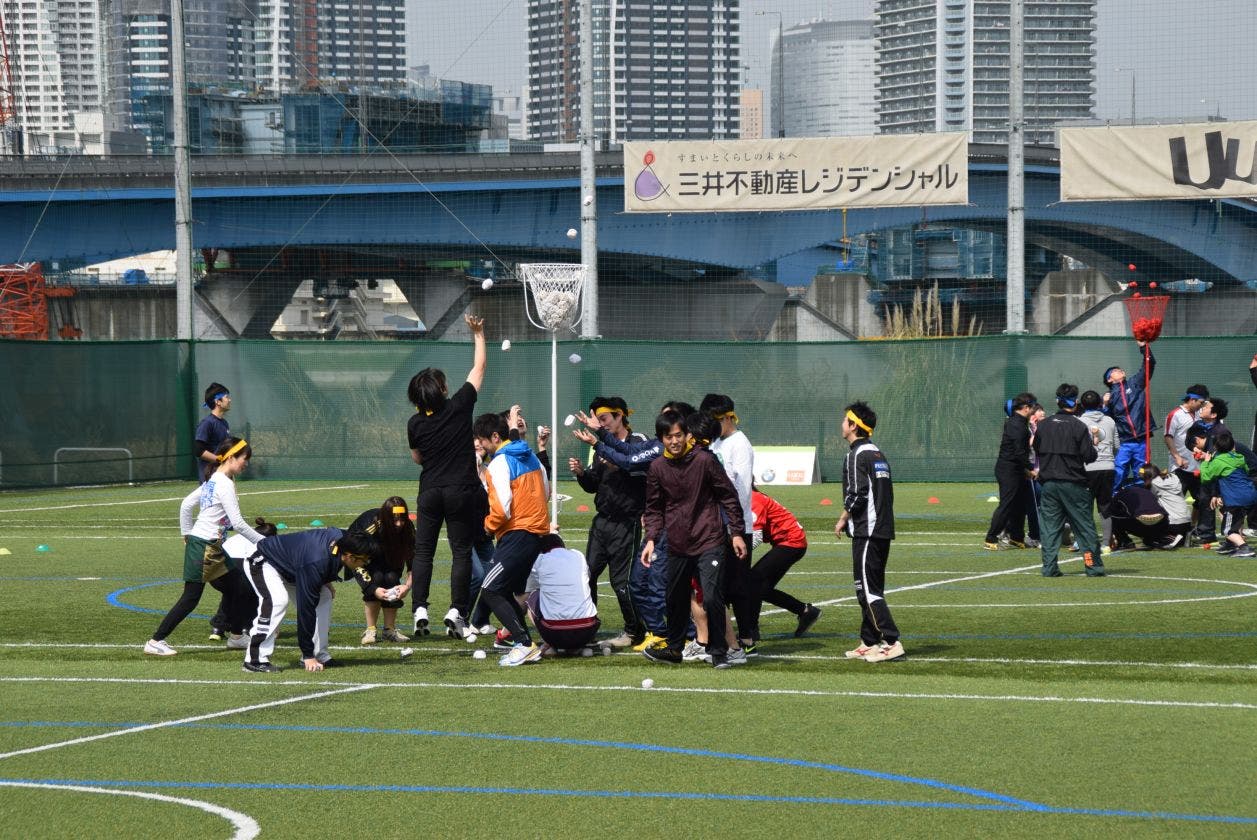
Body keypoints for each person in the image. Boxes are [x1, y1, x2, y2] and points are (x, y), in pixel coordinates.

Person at [639, 410, 747, 669]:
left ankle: (719, 652)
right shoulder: (656, 468)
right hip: (677, 543)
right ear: (661, 439)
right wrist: (651, 538)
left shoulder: (704, 460)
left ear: (687, 435)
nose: (674, 441)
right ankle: (675, 649)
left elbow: (728, 497)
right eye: (668, 437)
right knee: (674, 597)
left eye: (678, 435)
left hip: (710, 540)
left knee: (711, 597)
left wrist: (736, 533)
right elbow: (653, 508)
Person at [143, 437, 264, 657]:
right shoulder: (224, 483)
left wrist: (187, 533)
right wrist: (264, 542)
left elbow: (186, 505)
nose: (246, 463)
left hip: (210, 546)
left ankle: (236, 636)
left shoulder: (215, 480)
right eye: (244, 459)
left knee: (240, 588)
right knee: (191, 598)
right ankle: (156, 640)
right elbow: (237, 523)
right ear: (231, 457)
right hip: (206, 548)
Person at [406, 312, 486, 641]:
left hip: (430, 491)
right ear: (442, 389)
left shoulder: (415, 423)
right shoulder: (459, 406)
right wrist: (479, 334)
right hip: (461, 491)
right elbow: (478, 369)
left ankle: (419, 609)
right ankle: (456, 611)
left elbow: (417, 458)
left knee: (423, 551)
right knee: (461, 551)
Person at [568, 396, 650, 650]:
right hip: (602, 521)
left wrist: (615, 460)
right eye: (598, 421)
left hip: (627, 523)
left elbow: (640, 471)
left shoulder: (638, 443)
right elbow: (594, 485)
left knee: (621, 582)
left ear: (620, 416)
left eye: (604, 419)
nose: (600, 425)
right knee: (587, 575)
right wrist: (582, 473)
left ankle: (635, 630)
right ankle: (587, 627)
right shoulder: (600, 447)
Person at [473, 411, 551, 666]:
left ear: (495, 437)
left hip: (517, 533)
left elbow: (502, 508)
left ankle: (524, 643)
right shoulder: (531, 458)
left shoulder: (499, 463)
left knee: (490, 589)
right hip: (536, 532)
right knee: (503, 589)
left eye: (482, 440)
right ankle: (525, 643)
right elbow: (547, 492)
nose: (481, 446)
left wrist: (487, 527)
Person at [242, 527, 378, 673]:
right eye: (364, 560)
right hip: (264, 561)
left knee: (324, 595)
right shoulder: (316, 562)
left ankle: (319, 654)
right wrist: (307, 655)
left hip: (293, 566)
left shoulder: (344, 541)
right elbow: (305, 610)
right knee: (278, 601)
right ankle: (254, 659)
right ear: (350, 557)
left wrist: (325, 580)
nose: (365, 564)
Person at [833, 401, 903, 663]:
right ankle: (869, 641)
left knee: (867, 591)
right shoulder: (877, 453)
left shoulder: (856, 455)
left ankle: (892, 641)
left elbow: (857, 493)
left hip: (867, 531)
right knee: (871, 587)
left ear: (853, 425)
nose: (841, 425)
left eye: (844, 421)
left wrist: (842, 519)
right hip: (882, 529)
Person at [700, 393, 760, 652]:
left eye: (715, 421)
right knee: (719, 584)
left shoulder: (740, 443)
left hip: (736, 525)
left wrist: (733, 524)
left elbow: (743, 487)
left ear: (727, 417)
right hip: (715, 523)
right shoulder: (715, 442)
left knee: (737, 584)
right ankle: (722, 635)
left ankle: (747, 637)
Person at [1034, 384, 1103, 578]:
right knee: (1084, 528)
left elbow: (1037, 449)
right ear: (1076, 403)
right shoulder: (1078, 425)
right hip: (1074, 483)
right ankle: (1092, 566)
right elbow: (1089, 456)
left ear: (1057, 401)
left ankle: (1049, 567)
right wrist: (1095, 444)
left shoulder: (1044, 424)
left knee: (1050, 528)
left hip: (1049, 484)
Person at [749, 488, 819, 637]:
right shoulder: (752, 497)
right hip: (790, 542)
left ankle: (750, 632)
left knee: (753, 582)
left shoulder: (753, 498)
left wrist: (737, 553)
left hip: (791, 542)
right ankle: (805, 611)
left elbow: (756, 536)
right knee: (761, 588)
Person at [194, 381, 234, 641]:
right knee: (224, 567)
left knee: (224, 550)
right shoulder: (208, 423)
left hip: (222, 487)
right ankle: (222, 623)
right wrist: (221, 461)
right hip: (212, 490)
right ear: (217, 401)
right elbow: (198, 450)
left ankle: (223, 623)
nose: (230, 400)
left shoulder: (224, 425)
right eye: (226, 396)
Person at [349, 497, 414, 645]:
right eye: (394, 520)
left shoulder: (408, 529)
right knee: (376, 578)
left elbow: (414, 562)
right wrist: (372, 588)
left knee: (392, 579)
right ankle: (370, 629)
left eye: (402, 519)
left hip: (390, 559)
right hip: (363, 559)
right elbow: (352, 558)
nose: (399, 524)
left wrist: (407, 586)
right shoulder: (370, 526)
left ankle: (389, 630)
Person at [525, 533, 601, 654]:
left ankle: (549, 642)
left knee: (532, 596)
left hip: (554, 632)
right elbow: (588, 575)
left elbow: (527, 578)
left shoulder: (540, 560)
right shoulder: (578, 555)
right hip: (587, 630)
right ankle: (577, 646)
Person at [983, 392, 1037, 551]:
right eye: (1033, 407)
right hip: (1008, 470)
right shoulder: (1016, 424)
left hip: (1017, 469)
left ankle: (1016, 537)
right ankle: (991, 537)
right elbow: (1019, 452)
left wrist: (1025, 469)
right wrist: (1031, 469)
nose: (1035, 410)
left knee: (1020, 504)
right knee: (1007, 504)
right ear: (1026, 408)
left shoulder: (1020, 423)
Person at [1102, 340, 1156, 492]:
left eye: (1120, 369)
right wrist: (1105, 406)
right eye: (1115, 370)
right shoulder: (1109, 396)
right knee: (1119, 473)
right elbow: (1107, 421)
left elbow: (1149, 365)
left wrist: (1144, 347)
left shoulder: (1135, 383)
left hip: (1142, 439)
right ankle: (1115, 502)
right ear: (1109, 379)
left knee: (1143, 474)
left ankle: (1142, 502)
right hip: (1124, 442)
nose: (1120, 370)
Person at [1198, 429, 1257, 557]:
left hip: (1236, 498)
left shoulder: (1218, 461)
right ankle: (1231, 545)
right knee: (1236, 520)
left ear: (1215, 447)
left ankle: (1244, 547)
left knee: (1228, 530)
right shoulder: (1240, 457)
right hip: (1250, 494)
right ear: (1233, 445)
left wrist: (1206, 462)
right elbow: (1246, 470)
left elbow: (1205, 477)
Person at [1164, 385, 1210, 540]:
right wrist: (1176, 456)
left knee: (1202, 499)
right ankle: (1171, 531)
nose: (1202, 406)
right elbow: (1168, 436)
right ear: (1192, 399)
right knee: (1175, 500)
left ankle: (1193, 528)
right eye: (1201, 402)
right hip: (1180, 466)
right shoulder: (1175, 414)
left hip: (1199, 467)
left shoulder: (1200, 414)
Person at [1079, 390, 1117, 551]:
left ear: (1082, 405)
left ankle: (1086, 542)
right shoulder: (1109, 420)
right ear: (1100, 404)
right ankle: (1106, 543)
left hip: (1087, 469)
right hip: (1108, 467)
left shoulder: (1079, 421)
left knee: (1085, 507)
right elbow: (1116, 447)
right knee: (1105, 506)